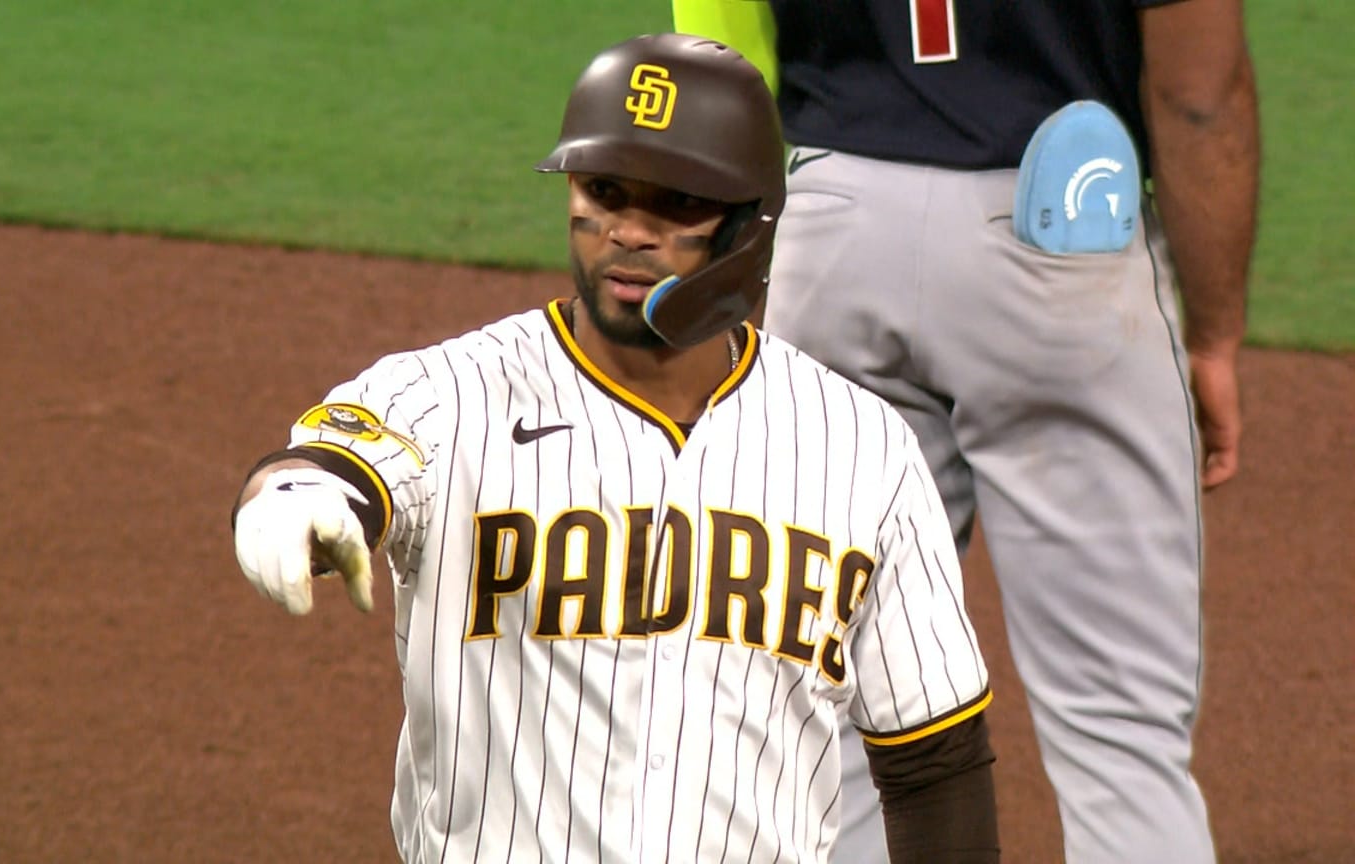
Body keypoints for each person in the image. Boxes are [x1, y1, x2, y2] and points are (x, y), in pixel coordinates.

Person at [230, 32, 1001, 864]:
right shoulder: (450, 395)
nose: (628, 230)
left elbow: (935, 762)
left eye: (676, 203)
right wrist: (293, 496)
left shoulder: (861, 446)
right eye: (604, 191)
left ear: (750, 226)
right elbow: (338, 465)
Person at [671, 1, 1261, 862]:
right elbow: (1200, 96)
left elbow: (719, 59)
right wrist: (1212, 336)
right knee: (1120, 735)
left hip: (832, 237)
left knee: (833, 708)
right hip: (1064, 237)